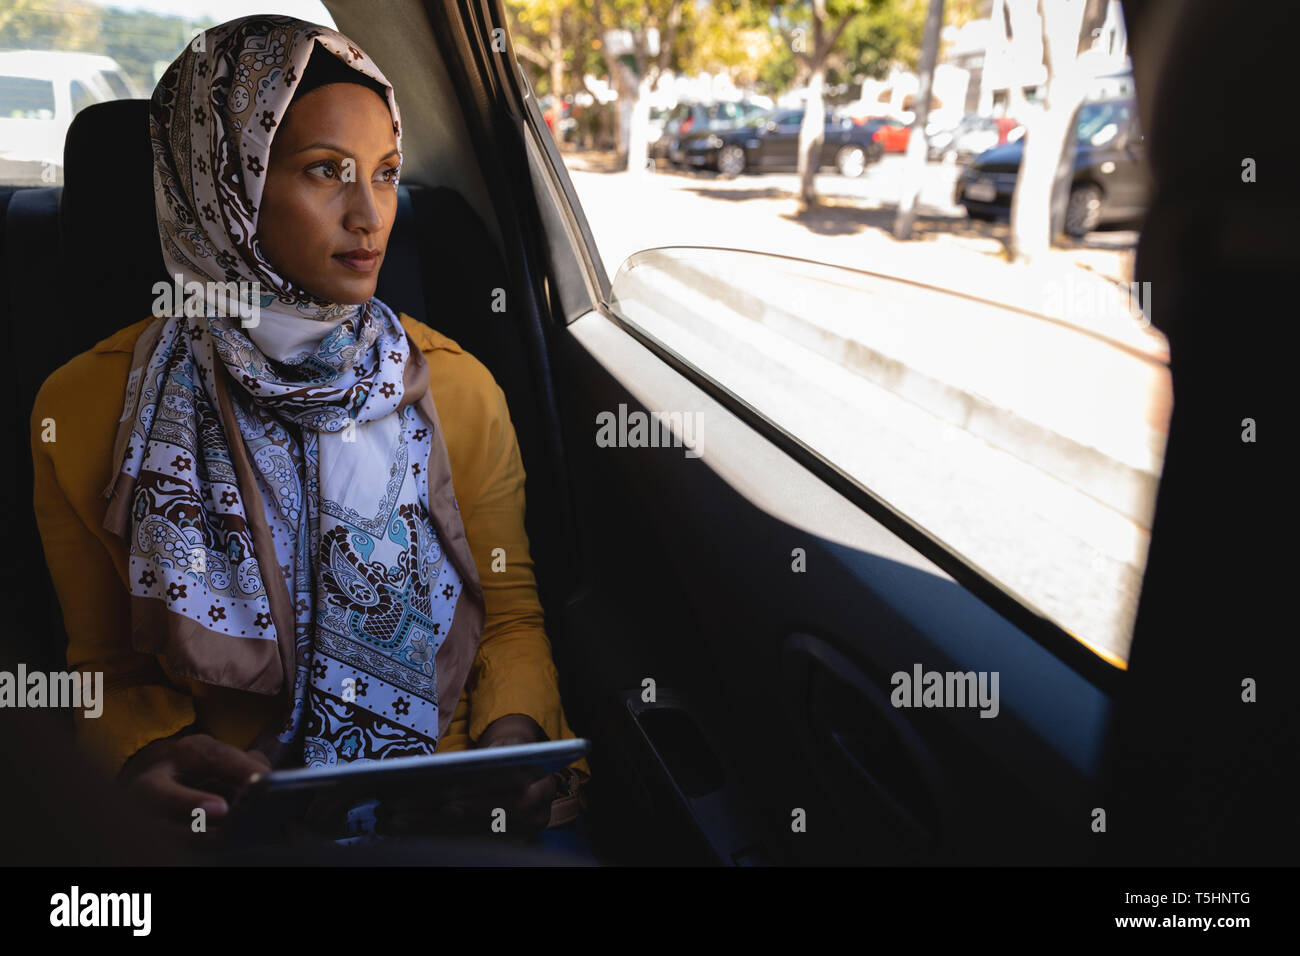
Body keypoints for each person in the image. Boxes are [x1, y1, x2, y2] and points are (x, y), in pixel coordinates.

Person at [30, 15, 588, 845]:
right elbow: (104, 669)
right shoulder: (83, 409)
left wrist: (514, 743)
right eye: (327, 171)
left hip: (447, 811)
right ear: (225, 184)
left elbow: (507, 616)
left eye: (387, 173)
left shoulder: (457, 390)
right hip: (235, 823)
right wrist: (142, 758)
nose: (371, 216)